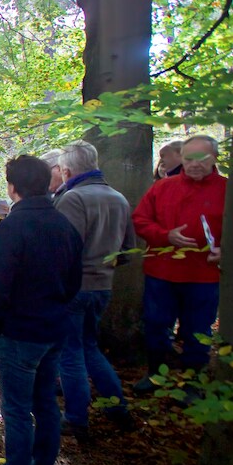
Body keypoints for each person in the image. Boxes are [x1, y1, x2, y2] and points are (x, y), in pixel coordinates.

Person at [0, 155, 83, 465]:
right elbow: (74, 282)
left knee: (16, 409)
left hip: (20, 331)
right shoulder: (64, 225)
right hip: (53, 328)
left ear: (12, 187)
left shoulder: (11, 227)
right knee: (44, 403)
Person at [52, 141, 137, 439]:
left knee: (70, 352)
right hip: (102, 287)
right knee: (89, 347)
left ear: (66, 171)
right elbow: (127, 250)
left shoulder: (73, 198)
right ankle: (117, 408)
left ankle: (76, 417)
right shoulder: (118, 198)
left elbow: (64, 249)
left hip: (75, 288)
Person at [132, 135, 225, 394]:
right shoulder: (163, 187)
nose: (194, 164)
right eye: (188, 158)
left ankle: (192, 385)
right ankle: (156, 375)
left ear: (214, 157)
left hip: (204, 275)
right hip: (162, 272)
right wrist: (166, 236)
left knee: (197, 331)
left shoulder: (229, 190)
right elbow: (140, 220)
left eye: (201, 158)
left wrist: (226, 251)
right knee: (155, 325)